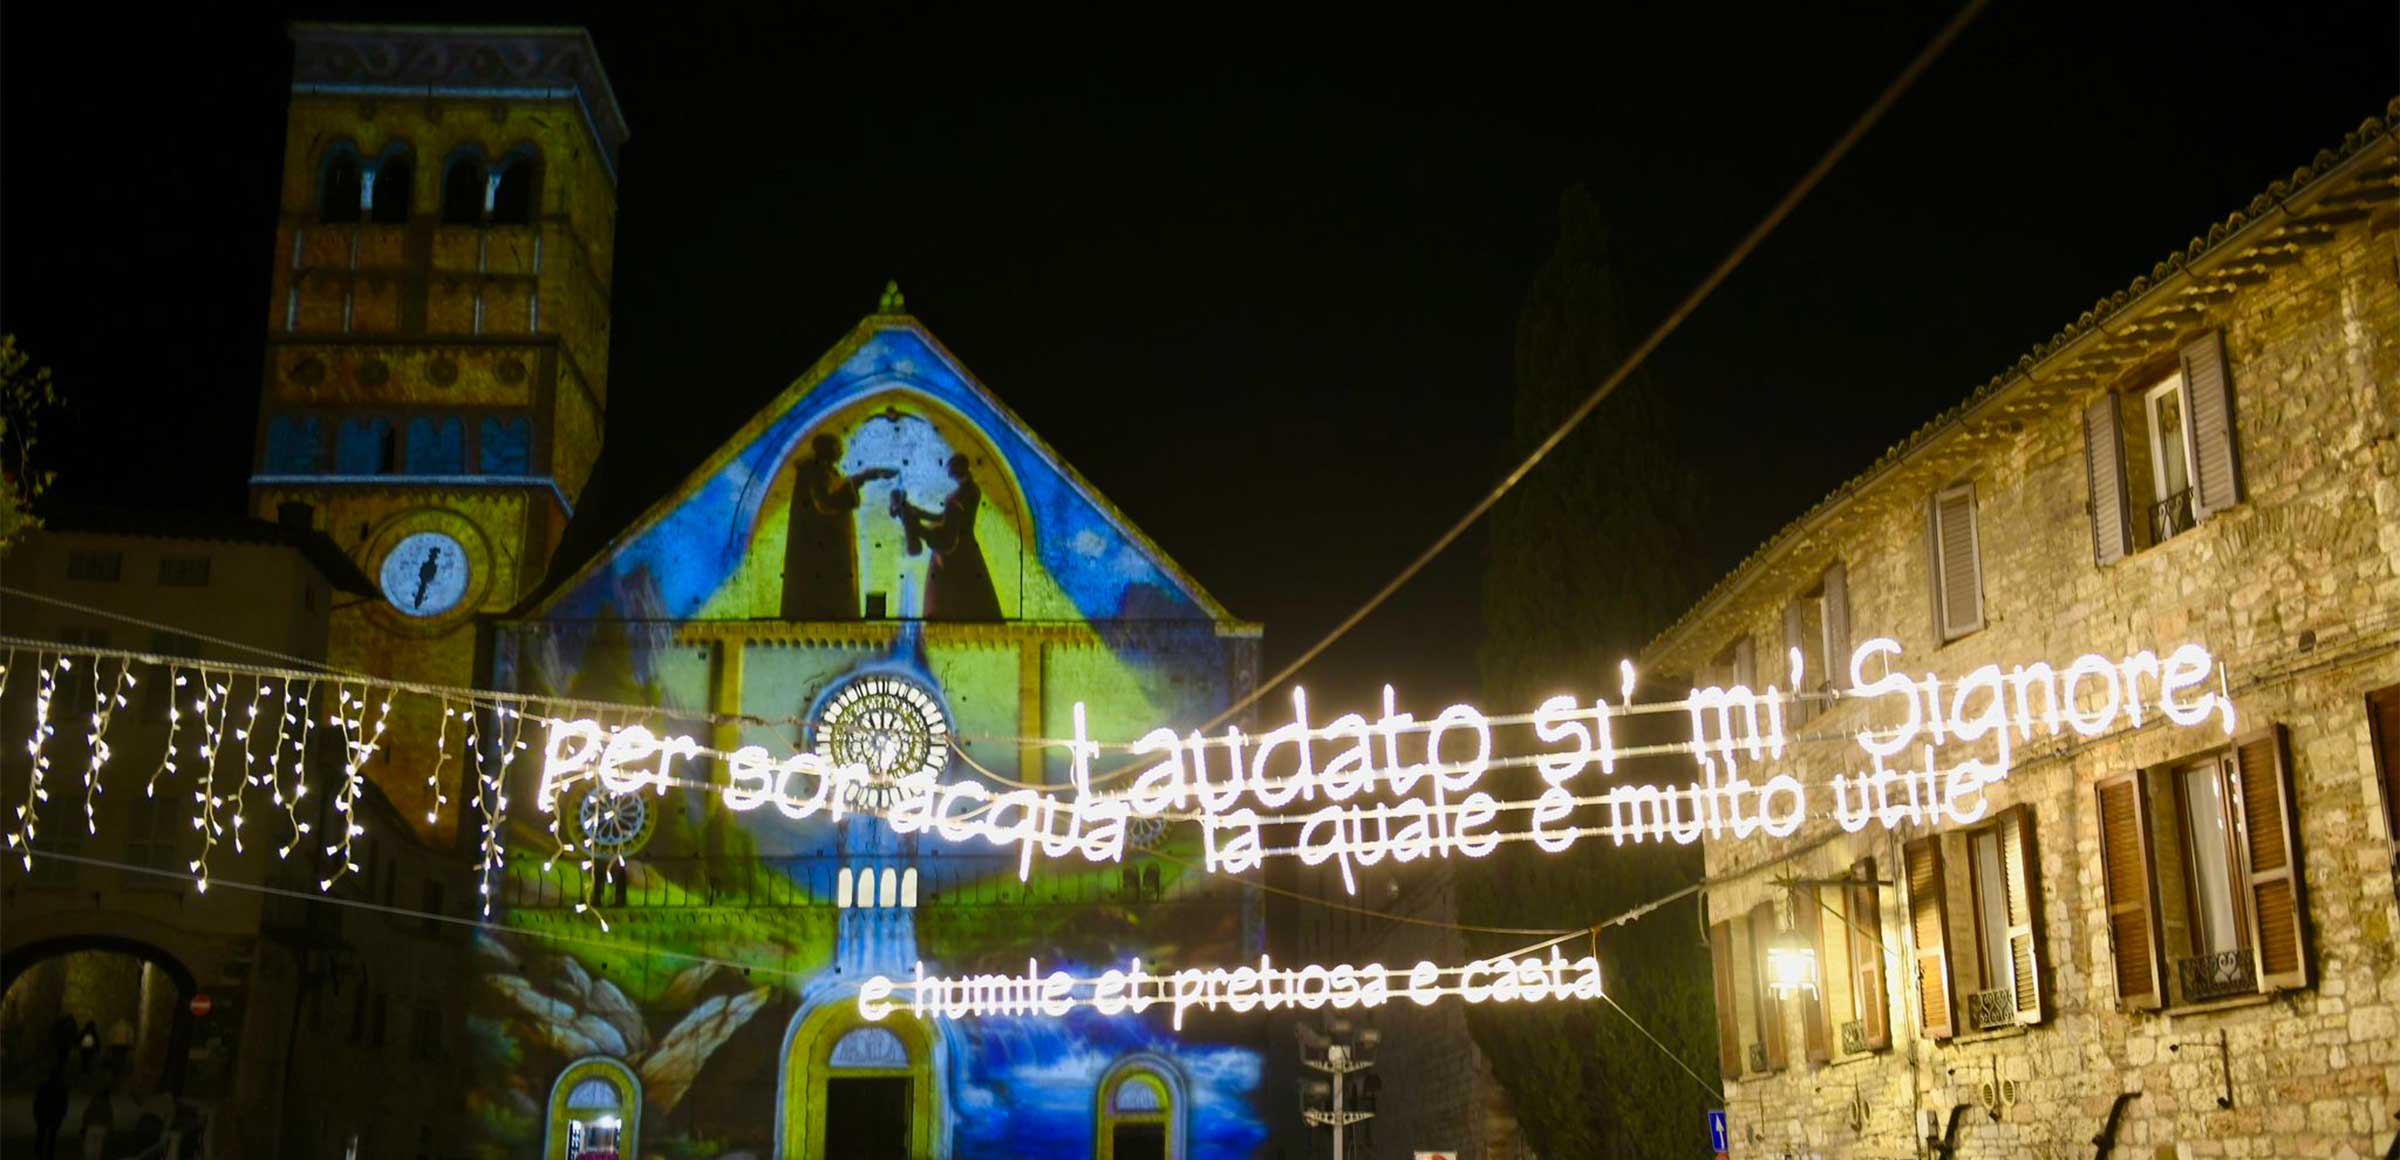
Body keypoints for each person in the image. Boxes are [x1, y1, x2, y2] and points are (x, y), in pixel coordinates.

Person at [781, 432, 898, 620]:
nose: (841, 450)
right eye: (836, 446)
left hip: (833, 543)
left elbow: (840, 487)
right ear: (824, 449)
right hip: (822, 548)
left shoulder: (826, 471)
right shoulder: (812, 472)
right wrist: (854, 489)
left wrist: (869, 475)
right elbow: (826, 503)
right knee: (827, 589)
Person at [893, 453, 1001, 619]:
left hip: (956, 549)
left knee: (953, 600)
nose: (949, 472)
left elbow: (951, 525)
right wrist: (917, 512)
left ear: (959, 468)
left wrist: (919, 527)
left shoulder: (967, 491)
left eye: (951, 468)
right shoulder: (965, 490)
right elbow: (943, 517)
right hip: (959, 547)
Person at [33, 1066, 69, 1159]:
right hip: (54, 1115)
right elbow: (64, 1103)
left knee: (41, 1134)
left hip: (44, 1114)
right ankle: (49, 1153)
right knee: (51, 1136)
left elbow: (38, 1101)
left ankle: (39, 1152)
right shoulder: (61, 1088)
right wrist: (62, 1114)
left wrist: (36, 1113)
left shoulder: (43, 1086)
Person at [79, 1081, 114, 1160]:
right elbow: (110, 1118)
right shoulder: (107, 1105)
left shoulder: (94, 1102)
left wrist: (84, 1126)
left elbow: (87, 1114)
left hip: (92, 1126)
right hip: (102, 1128)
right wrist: (110, 1130)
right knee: (98, 1151)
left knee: (89, 1149)